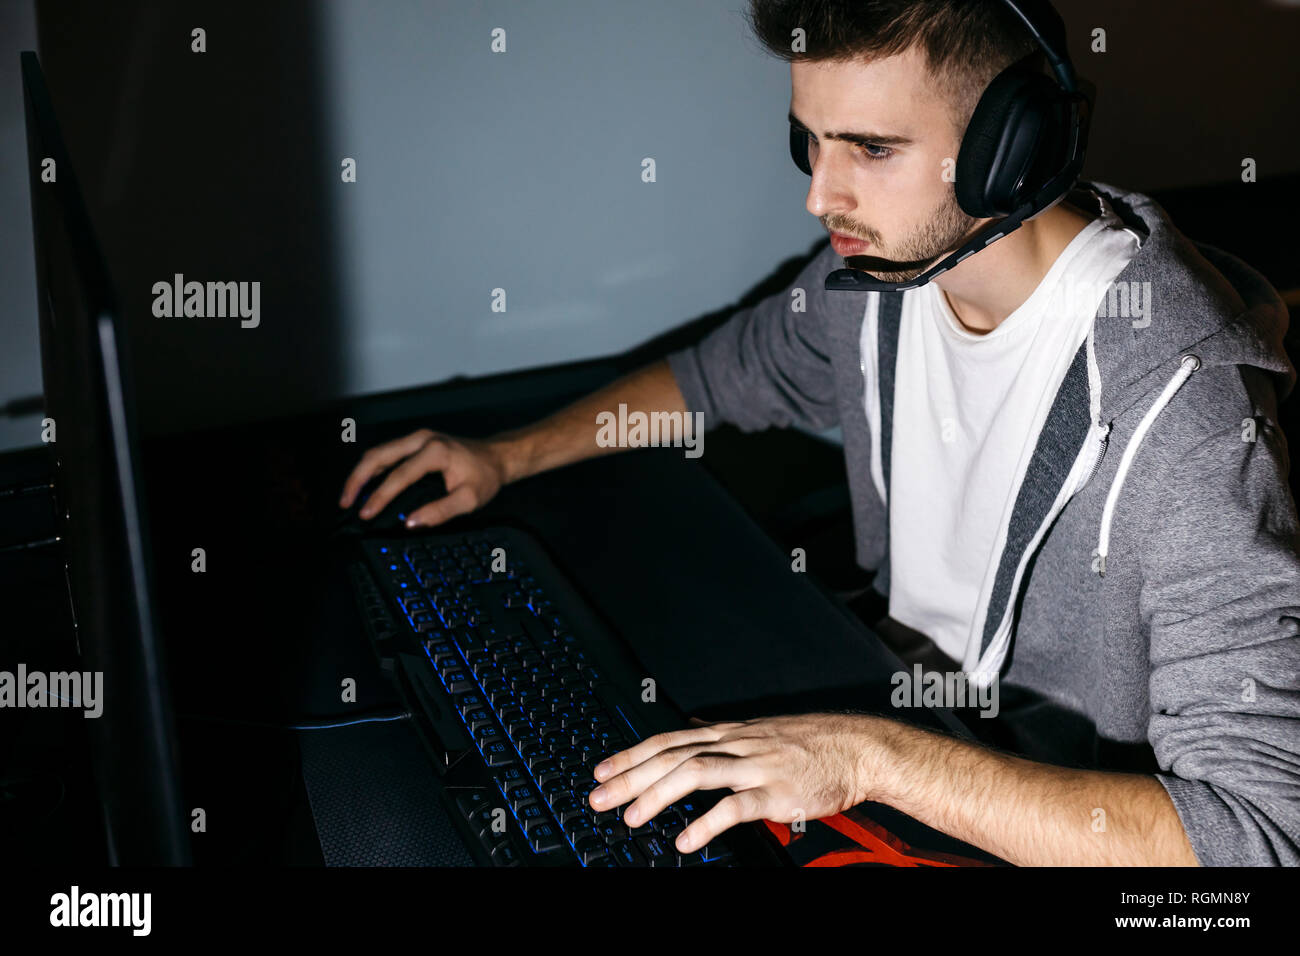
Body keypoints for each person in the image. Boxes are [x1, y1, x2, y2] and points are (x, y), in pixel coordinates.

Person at [339, 0, 1300, 865]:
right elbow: (722, 375)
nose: (820, 196)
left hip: (1031, 806)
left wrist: (865, 758)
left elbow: (1254, 840)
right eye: (811, 142)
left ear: (1017, 148)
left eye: (871, 150)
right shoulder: (881, 284)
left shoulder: (1188, 417)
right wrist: (505, 455)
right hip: (897, 720)